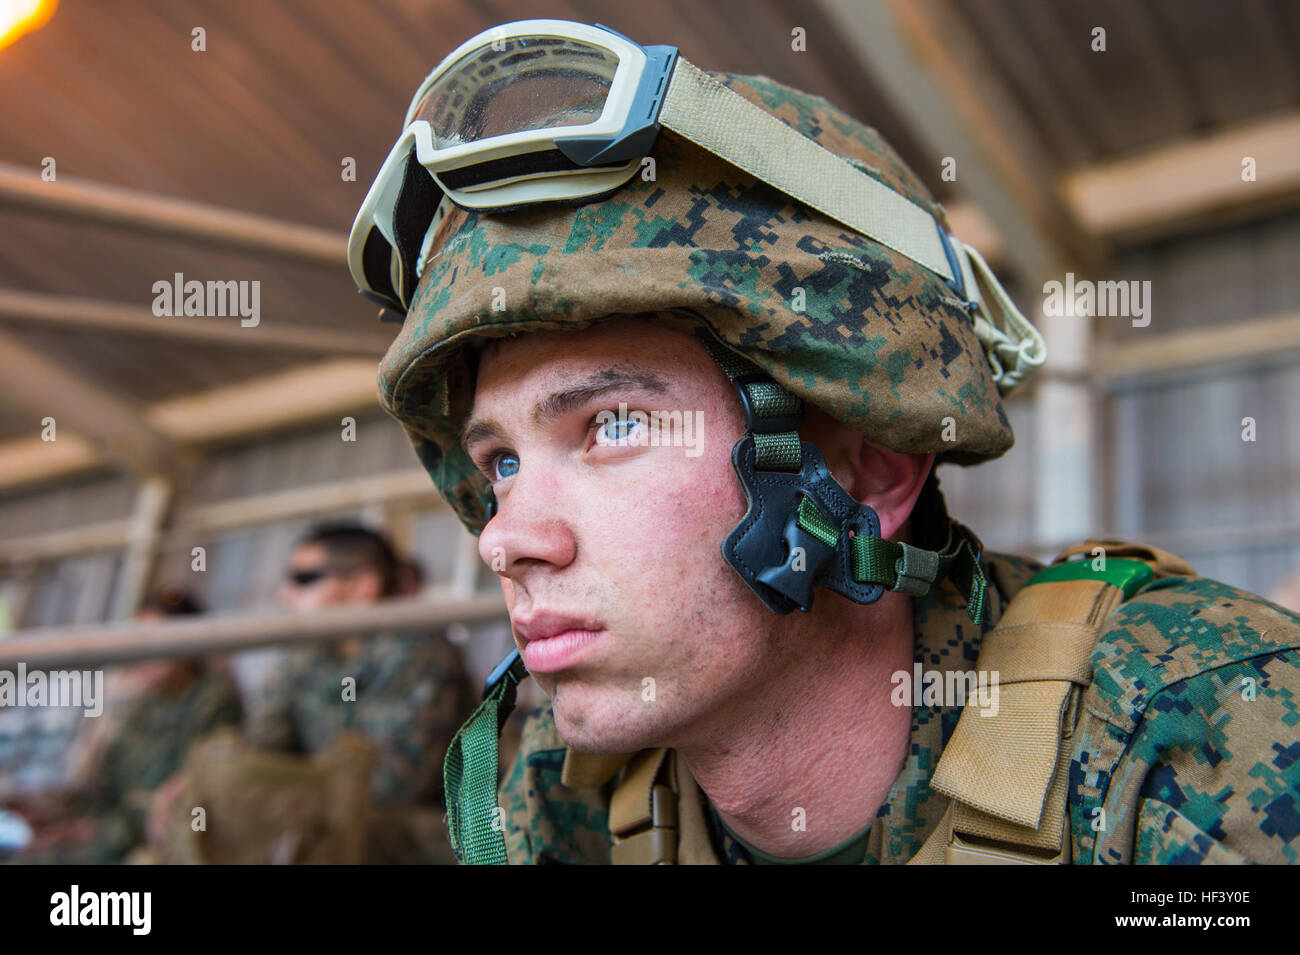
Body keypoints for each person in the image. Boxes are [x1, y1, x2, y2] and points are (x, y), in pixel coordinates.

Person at [348, 19, 1300, 864]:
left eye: (612, 425)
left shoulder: (1196, 735)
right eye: (501, 463)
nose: (503, 538)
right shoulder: (573, 779)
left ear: (870, 465)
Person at [243, 521, 474, 863]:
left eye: (305, 579)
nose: (285, 595)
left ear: (362, 587)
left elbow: (391, 788)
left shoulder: (421, 652)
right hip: (327, 820)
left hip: (422, 835)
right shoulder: (305, 657)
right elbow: (260, 753)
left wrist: (285, 791)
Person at [5, 588, 242, 864]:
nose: (143, 652)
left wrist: (92, 832)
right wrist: (51, 813)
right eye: (138, 640)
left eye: (155, 639)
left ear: (189, 646)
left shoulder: (212, 702)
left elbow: (174, 803)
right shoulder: (139, 707)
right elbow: (104, 792)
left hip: (144, 842)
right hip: (111, 831)